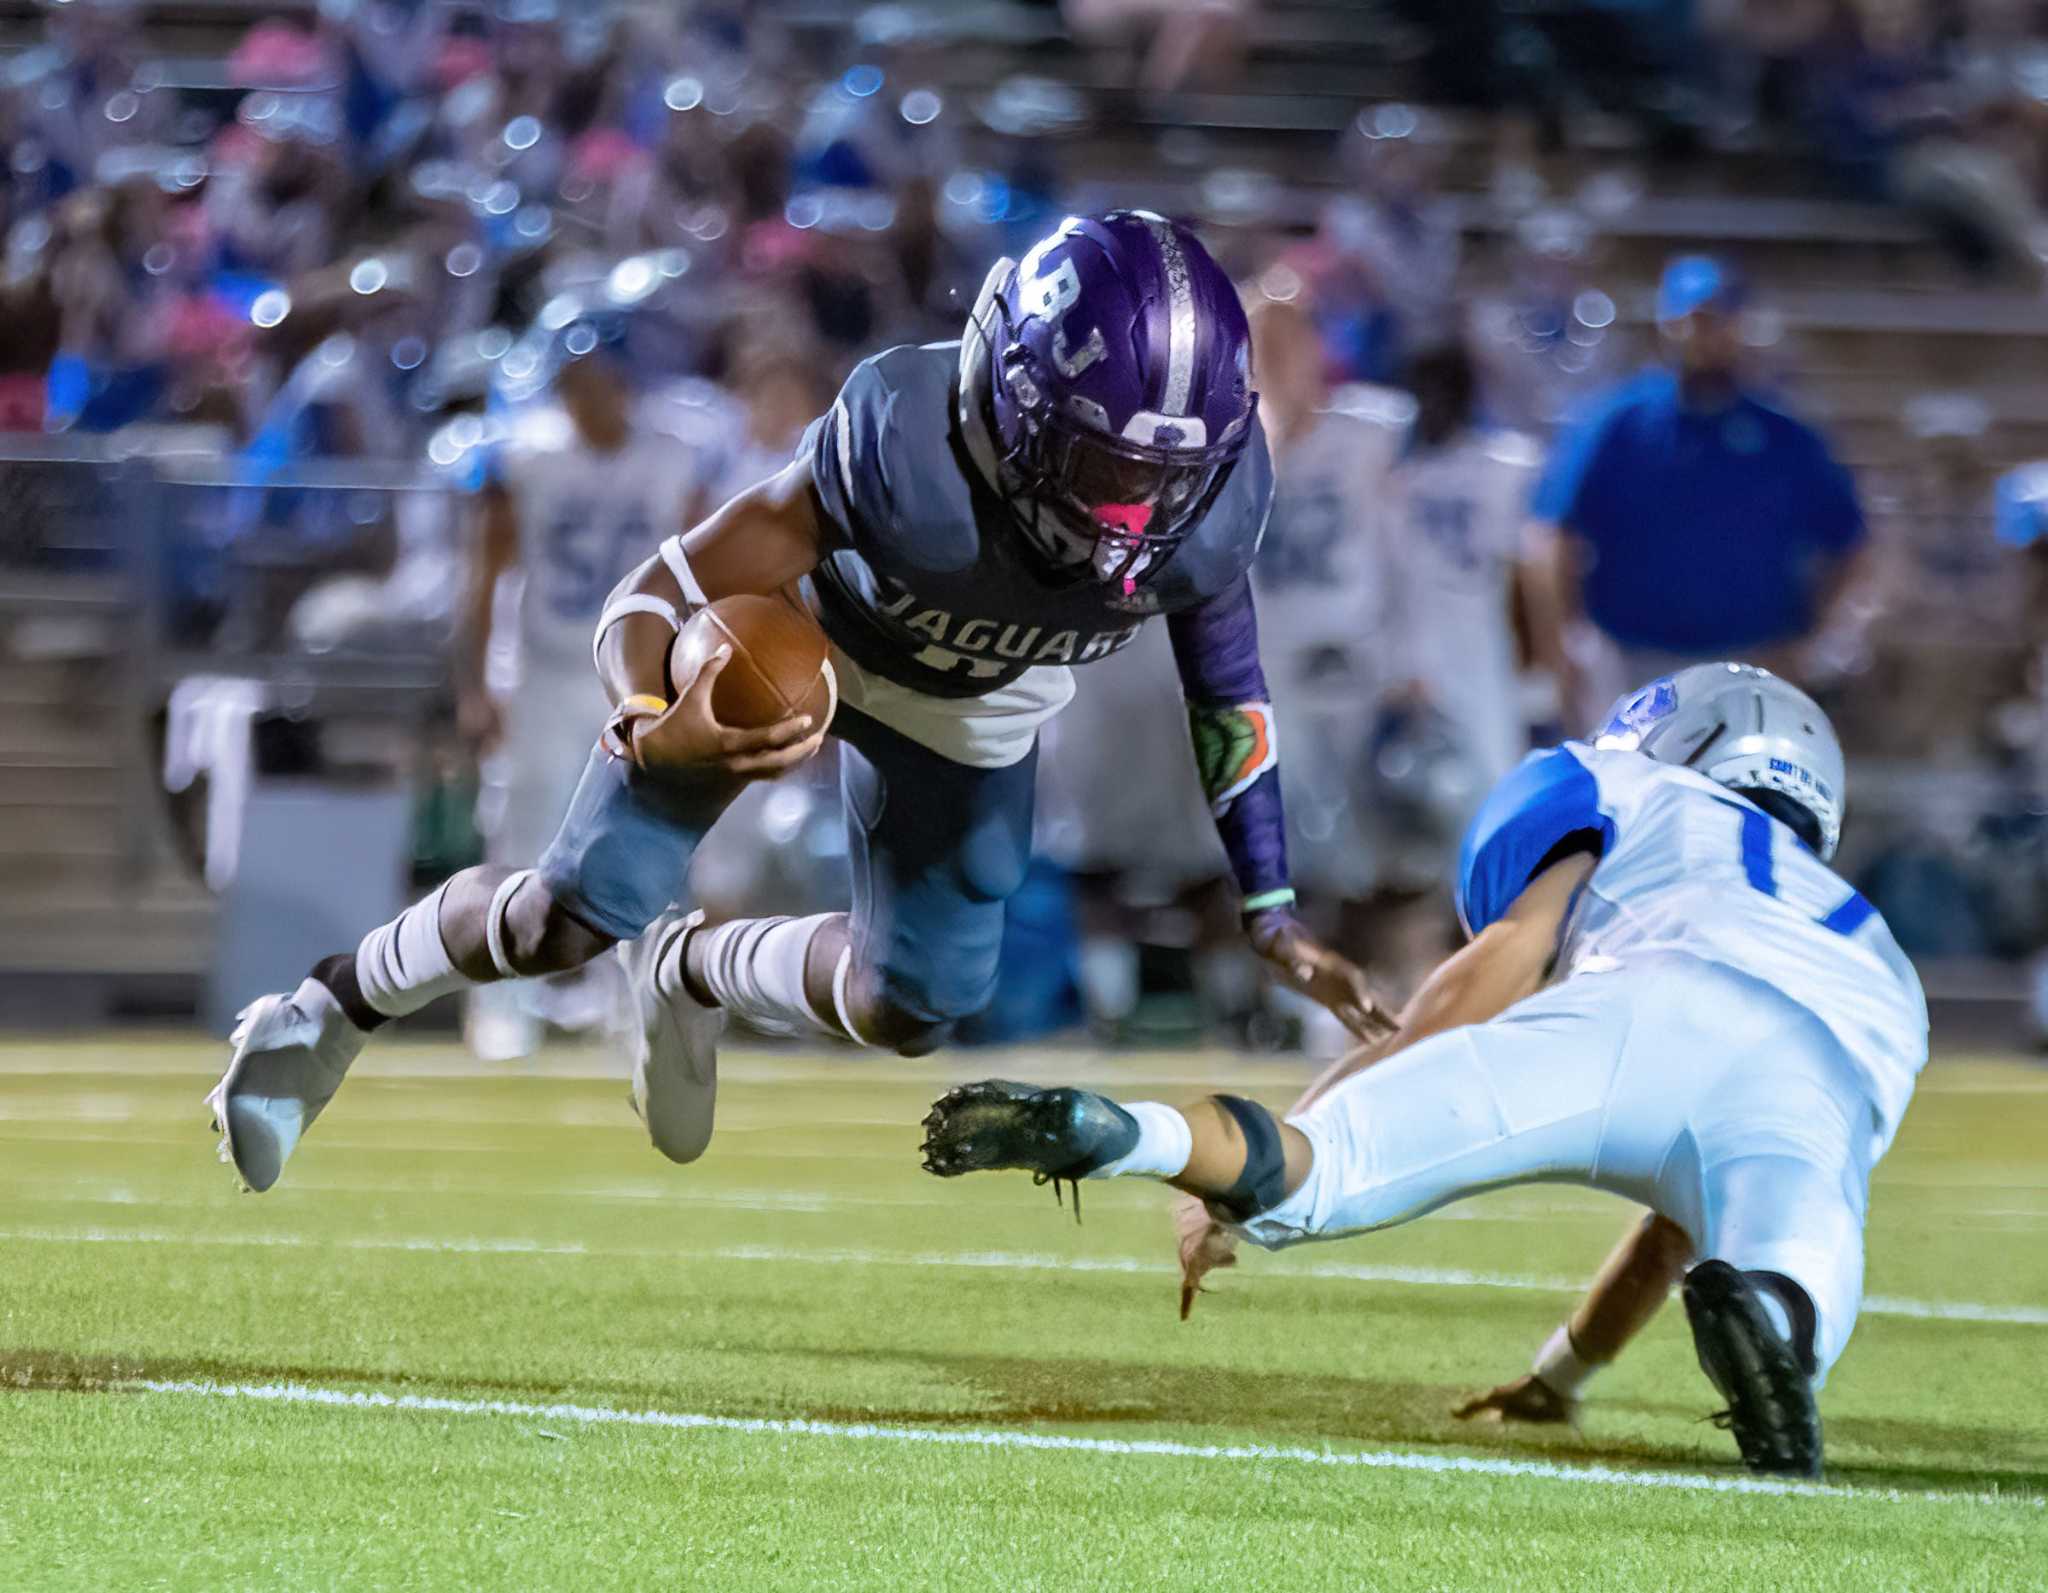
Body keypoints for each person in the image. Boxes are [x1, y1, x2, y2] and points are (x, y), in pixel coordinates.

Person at [208, 210, 1388, 1192]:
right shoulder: (906, 442)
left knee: (916, 1004)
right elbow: (659, 586)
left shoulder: (1217, 502)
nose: (1131, 515)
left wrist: (1271, 904)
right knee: (567, 918)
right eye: (1102, 466)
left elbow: (1227, 691)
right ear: (1016, 398)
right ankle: (329, 1006)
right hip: (801, 642)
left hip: (973, 705)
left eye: (1163, 477)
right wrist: (646, 713)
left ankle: (695, 968)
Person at [920, 663, 1929, 1478]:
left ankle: (1133, 1136)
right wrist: (1562, 1377)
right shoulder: (1874, 947)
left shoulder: (1633, 786)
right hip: (1820, 1066)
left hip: (1644, 997)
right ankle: (1780, 1328)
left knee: (1319, 1173)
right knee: (1782, 1260)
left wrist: (1320, 1110)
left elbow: (1502, 959)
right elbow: (1674, 1229)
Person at [458, 315, 723, 1061]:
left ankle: (629, 1002)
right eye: (573, 384)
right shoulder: (528, 456)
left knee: (640, 843)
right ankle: (504, 1002)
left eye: (597, 381)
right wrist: (476, 681)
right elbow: (484, 574)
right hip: (544, 669)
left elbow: (708, 578)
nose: (585, 399)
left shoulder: (675, 459)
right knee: (521, 837)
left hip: (639, 678)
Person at [1523, 256, 1869, 729]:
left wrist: (1813, 639)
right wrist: (1560, 649)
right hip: (1632, 662)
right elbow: (1551, 537)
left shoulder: (1785, 436)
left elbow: (1849, 542)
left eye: (1718, 320)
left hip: (1750, 665)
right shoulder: (1619, 423)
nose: (1705, 336)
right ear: (1668, 323)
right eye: (1693, 321)